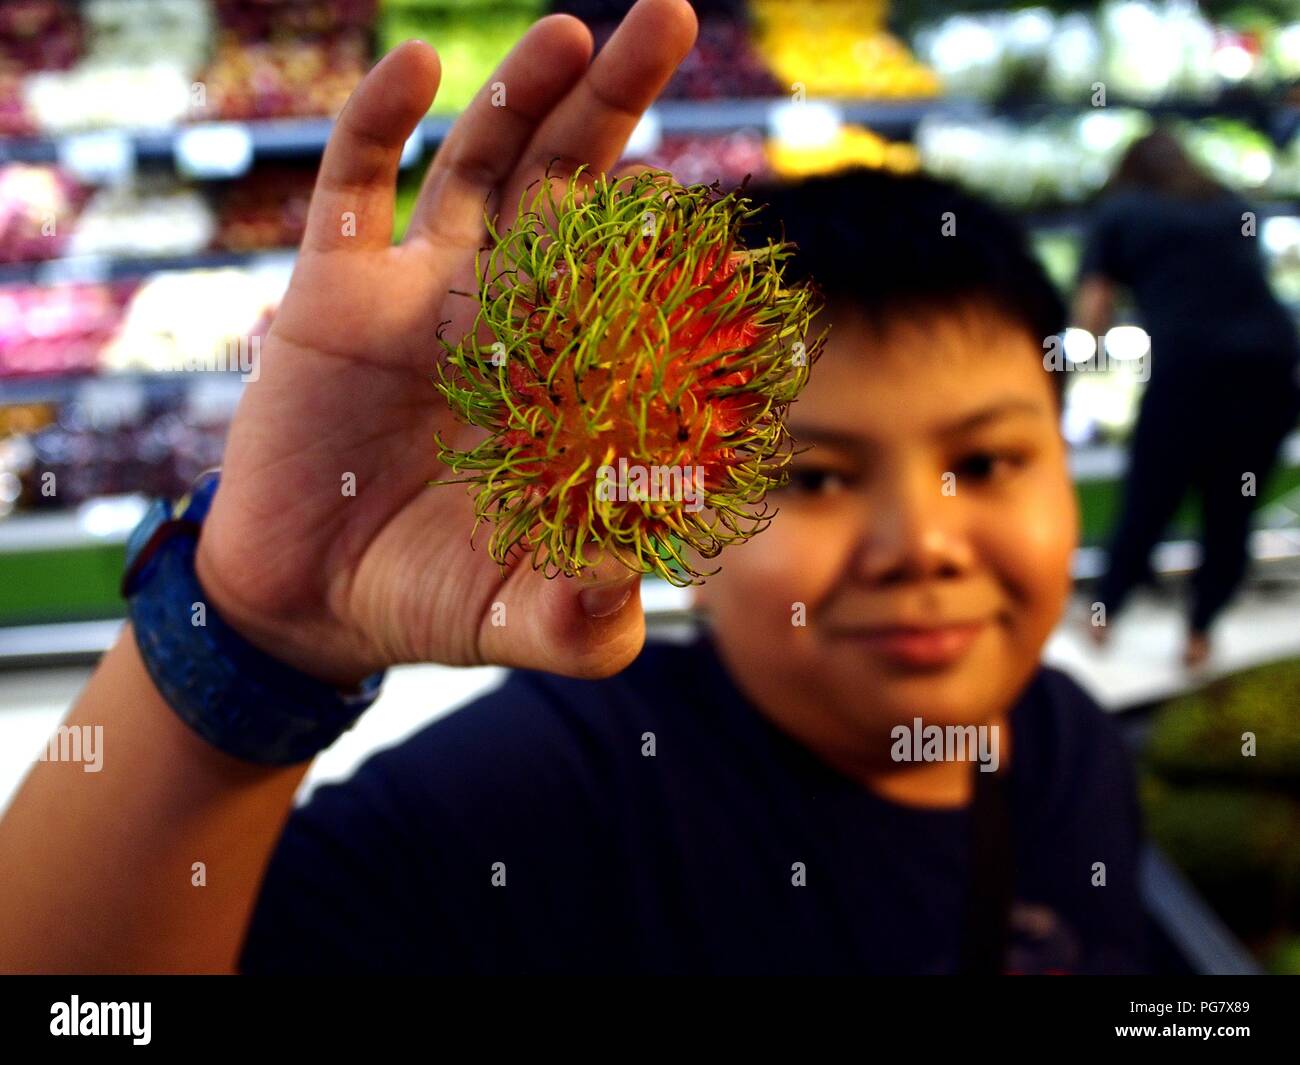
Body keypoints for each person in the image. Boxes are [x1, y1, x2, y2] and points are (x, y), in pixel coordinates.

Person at [0, 0, 1147, 975]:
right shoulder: (535, 797)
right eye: (812, 475)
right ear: (678, 506)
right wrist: (257, 632)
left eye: (986, 463)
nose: (923, 543)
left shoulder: (1073, 757)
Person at [1074, 129, 1300, 668]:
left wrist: (1092, 359)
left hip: (1188, 373)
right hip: (1273, 366)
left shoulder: (1121, 211)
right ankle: (1200, 634)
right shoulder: (1229, 203)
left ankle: (1104, 614)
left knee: (1149, 498)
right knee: (1232, 511)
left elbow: (1091, 314)